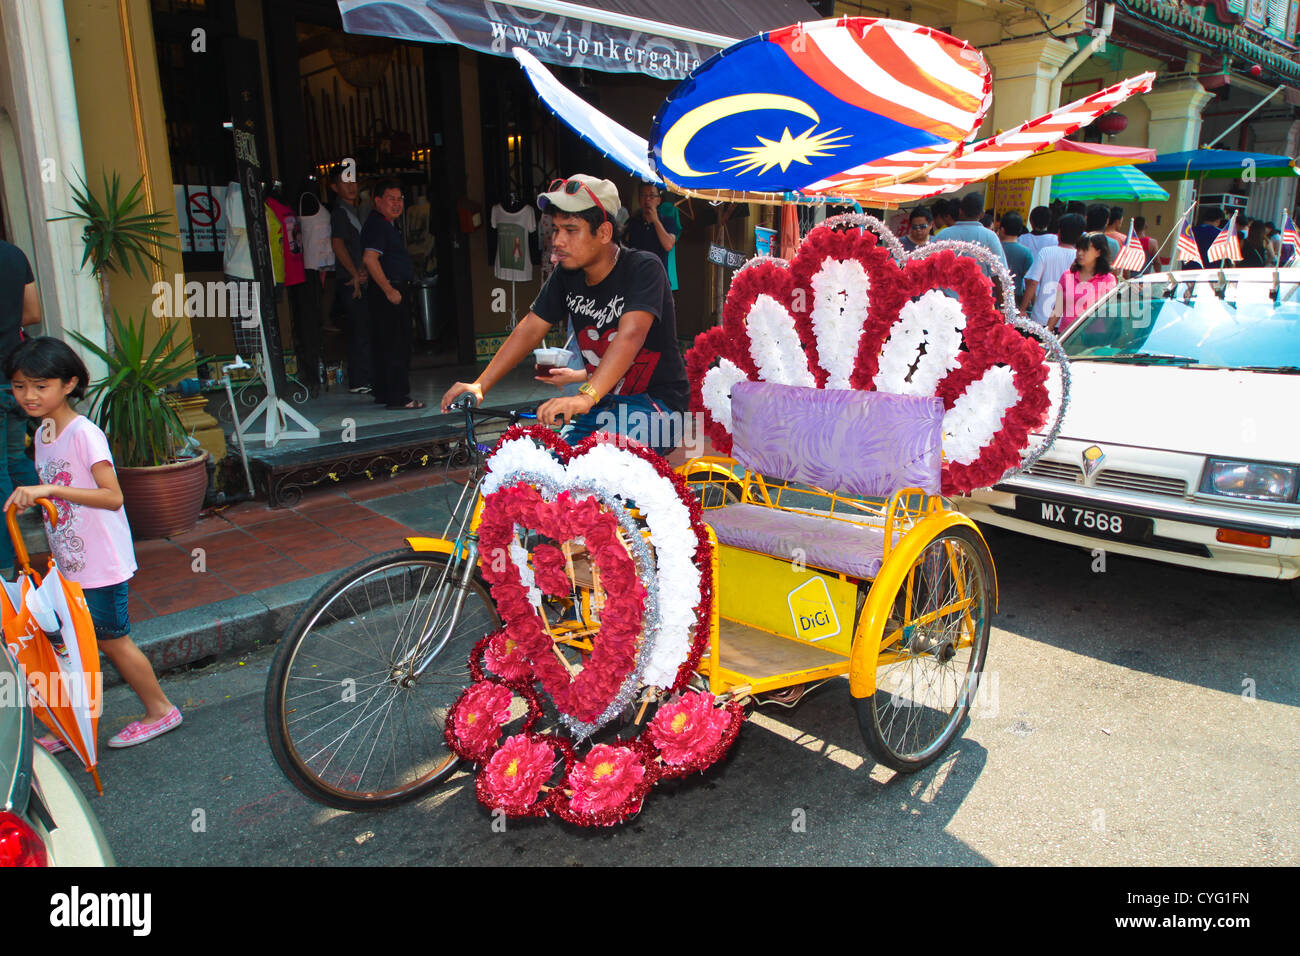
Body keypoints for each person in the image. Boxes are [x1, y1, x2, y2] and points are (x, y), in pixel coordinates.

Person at [3, 337, 181, 750]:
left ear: (68, 385)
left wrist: (48, 489)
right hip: (72, 560)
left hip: (101, 561)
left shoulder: (85, 434)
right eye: (18, 386)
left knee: (109, 639)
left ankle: (161, 710)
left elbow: (112, 496)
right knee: (74, 643)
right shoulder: (45, 430)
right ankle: (75, 725)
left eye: (39, 386)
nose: (28, 395)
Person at [440, 174, 689, 457]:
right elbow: (531, 327)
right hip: (603, 403)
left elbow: (631, 335)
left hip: (657, 406)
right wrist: (480, 384)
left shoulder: (643, 268)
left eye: (571, 230)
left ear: (605, 233)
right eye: (556, 229)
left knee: (598, 466)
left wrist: (585, 397)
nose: (558, 240)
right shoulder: (566, 275)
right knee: (551, 469)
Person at [361, 179, 423, 409]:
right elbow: (370, 258)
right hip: (390, 291)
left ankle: (384, 392)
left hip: (387, 289)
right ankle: (398, 397)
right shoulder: (378, 225)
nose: (397, 204)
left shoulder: (383, 224)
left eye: (400, 199)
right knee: (397, 344)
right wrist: (389, 289)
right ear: (378, 201)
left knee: (385, 342)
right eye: (391, 199)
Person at [0, 239, 42, 575]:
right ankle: (69, 528)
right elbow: (32, 314)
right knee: (14, 460)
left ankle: (4, 570)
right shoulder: (14, 254)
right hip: (14, 377)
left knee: (2, 471)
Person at [328, 165, 372, 395]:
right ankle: (359, 379)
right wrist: (355, 273)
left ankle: (366, 376)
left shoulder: (356, 211)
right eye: (345, 182)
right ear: (335, 187)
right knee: (359, 329)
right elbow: (338, 244)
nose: (351, 186)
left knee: (365, 327)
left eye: (353, 181)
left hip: (361, 276)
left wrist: (363, 269)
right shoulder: (339, 213)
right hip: (350, 280)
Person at [1021, 213, 1085, 326]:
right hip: (1067, 322)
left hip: (1041, 317)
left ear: (1059, 233)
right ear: (1081, 236)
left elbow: (1032, 282)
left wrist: (1022, 309)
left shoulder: (1046, 252)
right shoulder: (1081, 257)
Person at [1050, 233, 1116, 335]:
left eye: (1085, 250)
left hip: (1093, 339)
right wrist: (1047, 331)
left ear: (1098, 252)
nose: (1080, 253)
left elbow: (1110, 312)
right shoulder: (1067, 275)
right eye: (1078, 249)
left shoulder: (1107, 280)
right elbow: (1058, 308)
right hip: (1066, 336)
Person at [934, 191, 1008, 277]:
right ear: (982, 215)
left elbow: (931, 267)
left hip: (946, 290)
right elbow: (999, 274)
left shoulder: (943, 234)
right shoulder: (990, 236)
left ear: (960, 211)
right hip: (981, 290)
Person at [625, 181, 681, 292]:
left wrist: (655, 220)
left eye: (651, 196)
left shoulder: (668, 221)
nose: (647, 200)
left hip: (658, 281)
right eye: (643, 196)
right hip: (636, 280)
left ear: (658, 200)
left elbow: (668, 245)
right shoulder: (632, 222)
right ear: (639, 200)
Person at [997, 211, 1034, 301]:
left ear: (1002, 229)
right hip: (1015, 297)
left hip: (996, 295)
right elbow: (1029, 282)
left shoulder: (994, 249)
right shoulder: (1026, 252)